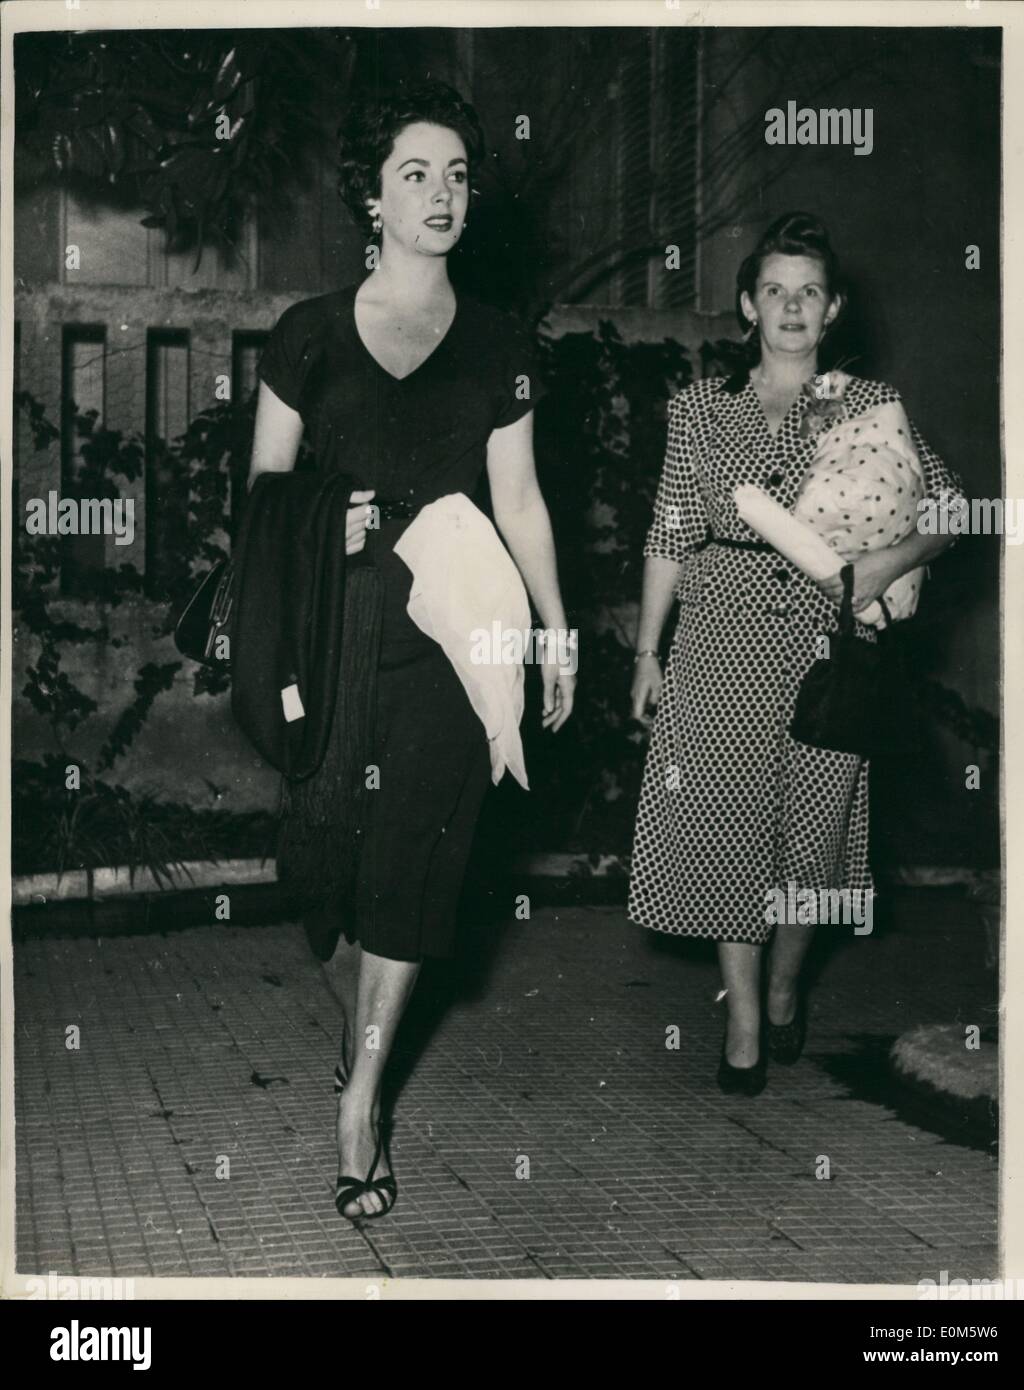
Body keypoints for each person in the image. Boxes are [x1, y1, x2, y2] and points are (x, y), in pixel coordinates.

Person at [247, 81, 574, 1217]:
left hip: (458, 634)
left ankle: (362, 1104)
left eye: (458, 176)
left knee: (412, 877)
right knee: (328, 881)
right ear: (372, 200)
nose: (442, 195)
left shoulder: (499, 342)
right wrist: (316, 519)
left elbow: (521, 501)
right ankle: (363, 1033)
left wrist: (553, 629)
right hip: (335, 640)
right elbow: (262, 497)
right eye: (415, 175)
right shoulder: (308, 335)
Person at [627, 212, 965, 1096]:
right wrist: (646, 652)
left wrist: (884, 564)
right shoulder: (702, 409)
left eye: (807, 291)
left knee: (813, 852)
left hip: (830, 646)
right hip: (719, 641)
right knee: (731, 833)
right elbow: (669, 531)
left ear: (833, 308)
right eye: (773, 290)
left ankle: (784, 987)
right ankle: (742, 1019)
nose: (789, 307)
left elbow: (954, 508)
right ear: (747, 305)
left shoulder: (866, 405)